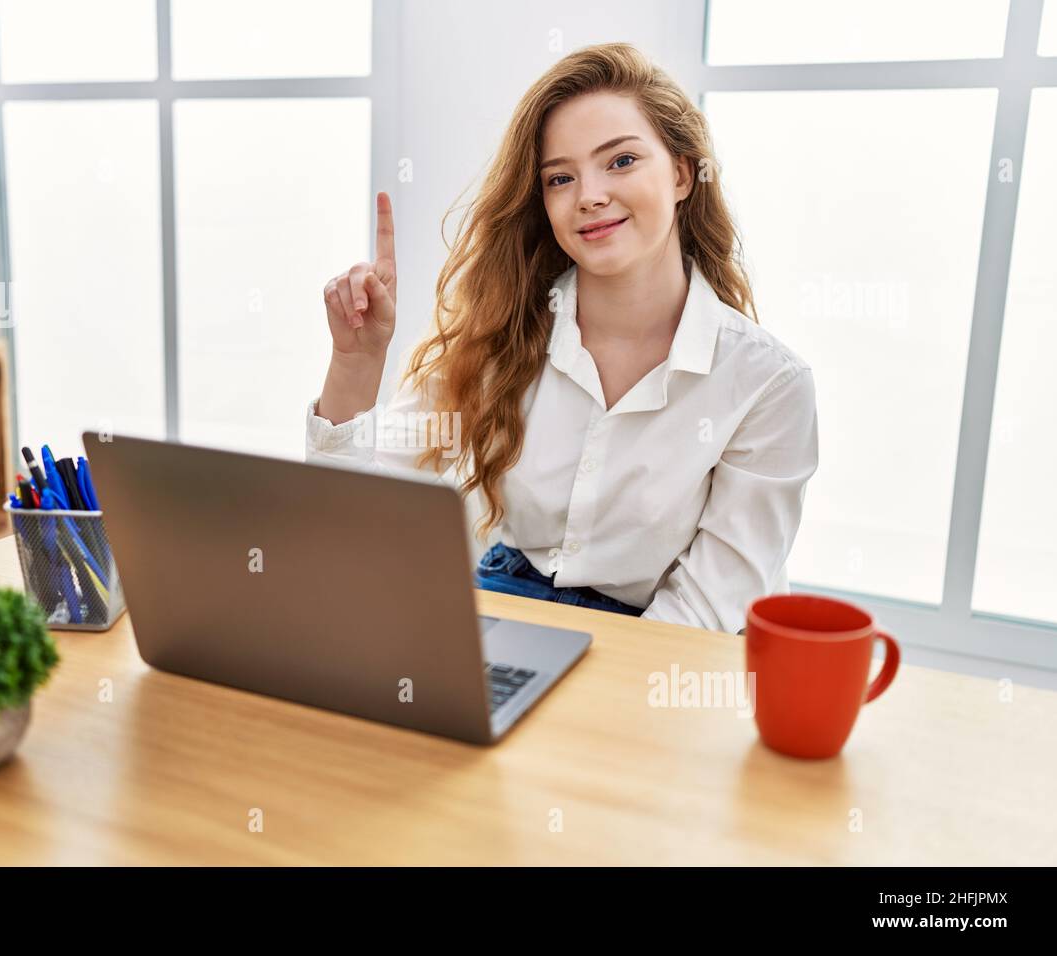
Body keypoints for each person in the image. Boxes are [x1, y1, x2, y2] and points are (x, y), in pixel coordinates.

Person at [306, 42, 818, 635]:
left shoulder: (768, 384)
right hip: (501, 613)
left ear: (681, 173)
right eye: (560, 177)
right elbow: (350, 522)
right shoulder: (498, 330)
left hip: (654, 648)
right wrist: (357, 361)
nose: (590, 195)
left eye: (621, 161)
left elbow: (705, 610)